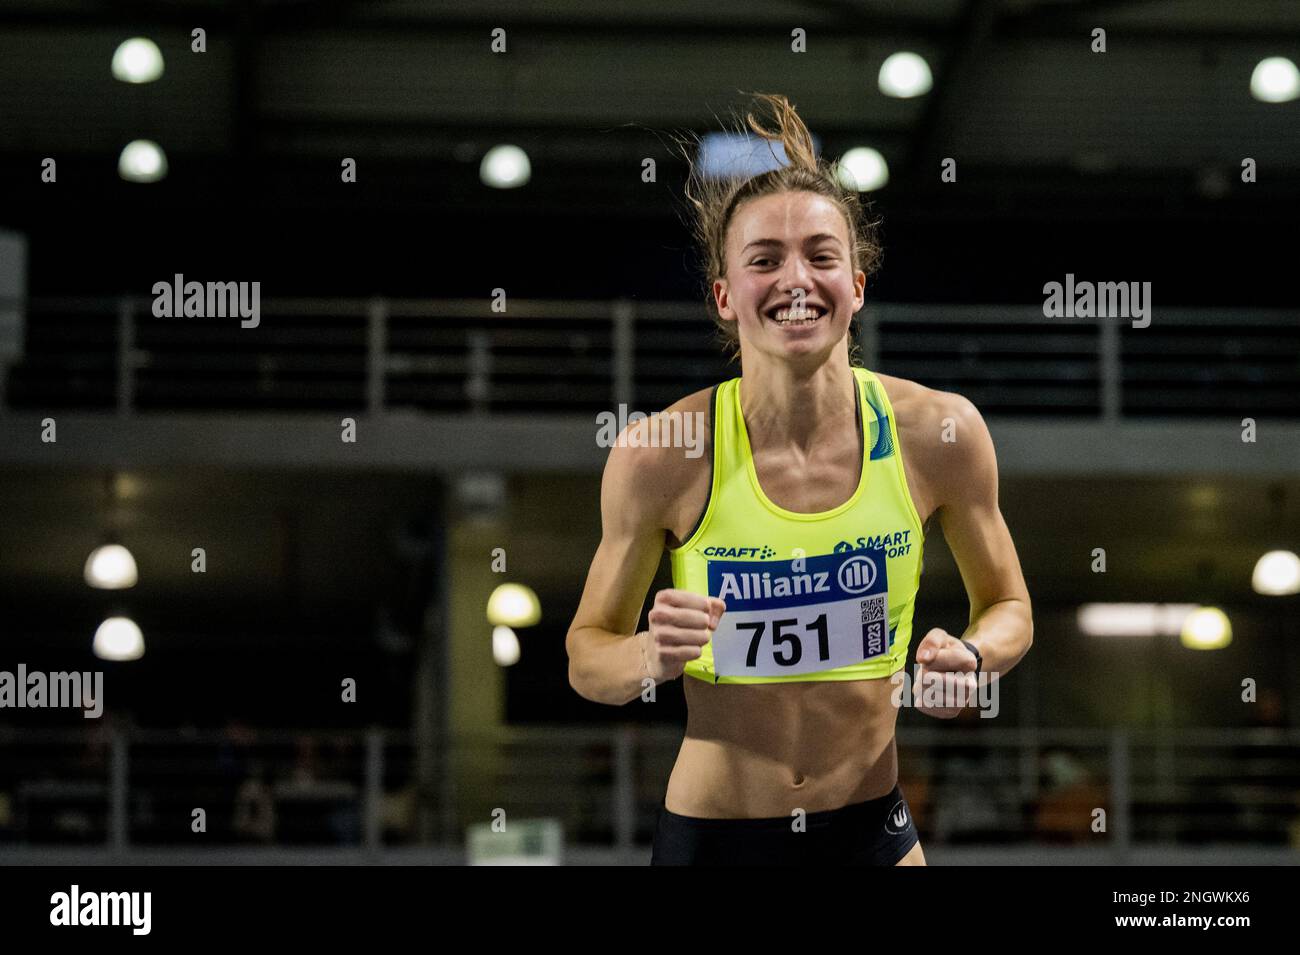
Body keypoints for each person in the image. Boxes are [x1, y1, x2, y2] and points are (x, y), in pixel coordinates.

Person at [566, 92, 1034, 865]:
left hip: (869, 831)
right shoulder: (663, 453)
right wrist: (648, 654)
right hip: (715, 838)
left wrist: (976, 658)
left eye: (821, 255)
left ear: (856, 283)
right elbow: (587, 654)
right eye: (764, 260)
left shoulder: (939, 435)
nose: (796, 279)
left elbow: (1009, 605)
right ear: (724, 295)